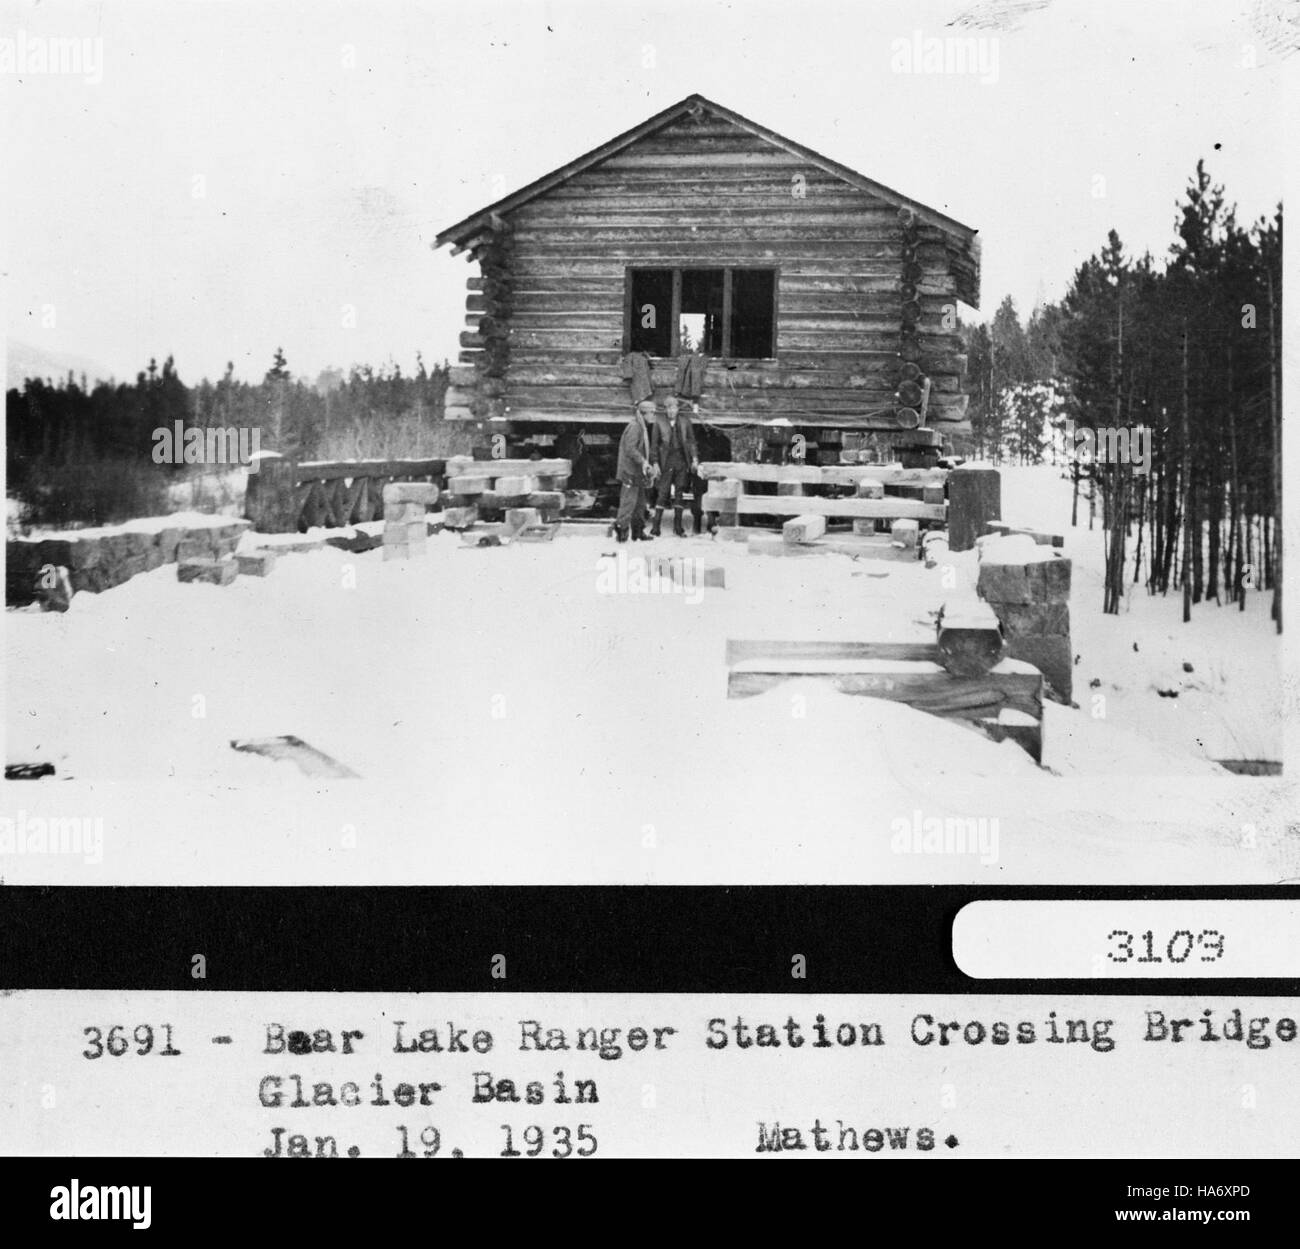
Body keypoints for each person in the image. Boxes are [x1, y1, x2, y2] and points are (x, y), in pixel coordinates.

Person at [649, 394, 700, 537]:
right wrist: (655, 462)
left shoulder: (685, 422)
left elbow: (691, 442)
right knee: (663, 492)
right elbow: (654, 445)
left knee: (680, 492)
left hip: (681, 460)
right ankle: (655, 527)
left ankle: (678, 527)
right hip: (666, 460)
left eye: (674, 408)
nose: (671, 411)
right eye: (668, 408)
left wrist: (695, 458)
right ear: (665, 409)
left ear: (678, 409)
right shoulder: (658, 422)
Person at [613, 399, 658, 542]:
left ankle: (638, 531)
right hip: (630, 472)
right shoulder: (635, 427)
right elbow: (630, 449)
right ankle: (621, 529)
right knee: (628, 502)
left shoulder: (642, 427)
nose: (653, 416)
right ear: (644, 413)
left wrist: (652, 463)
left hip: (638, 472)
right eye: (652, 413)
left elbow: (643, 449)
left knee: (640, 503)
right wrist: (643, 462)